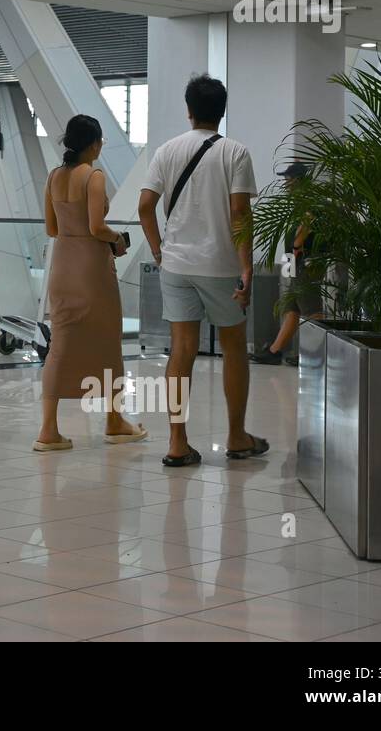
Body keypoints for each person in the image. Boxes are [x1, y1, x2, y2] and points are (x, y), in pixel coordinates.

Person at [138, 75, 266, 467]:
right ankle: (236, 436)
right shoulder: (235, 152)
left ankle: (177, 442)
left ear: (189, 110)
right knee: (232, 348)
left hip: (176, 265)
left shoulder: (167, 150)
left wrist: (159, 249)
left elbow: (145, 205)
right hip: (220, 265)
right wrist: (247, 266)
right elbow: (240, 212)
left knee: (182, 350)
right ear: (222, 111)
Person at [34, 115, 147, 451]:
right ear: (93, 142)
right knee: (107, 343)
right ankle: (114, 421)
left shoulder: (54, 176)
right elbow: (97, 227)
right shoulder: (93, 176)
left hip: (63, 266)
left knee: (59, 347)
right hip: (91, 269)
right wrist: (118, 239)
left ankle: (48, 431)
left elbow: (51, 229)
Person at [251, 161, 323, 365]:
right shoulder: (298, 201)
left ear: (299, 180)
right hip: (293, 258)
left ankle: (315, 354)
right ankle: (275, 351)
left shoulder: (309, 199)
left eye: (289, 179)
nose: (286, 184)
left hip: (303, 259)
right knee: (293, 306)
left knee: (311, 309)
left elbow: (307, 222)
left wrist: (297, 247)